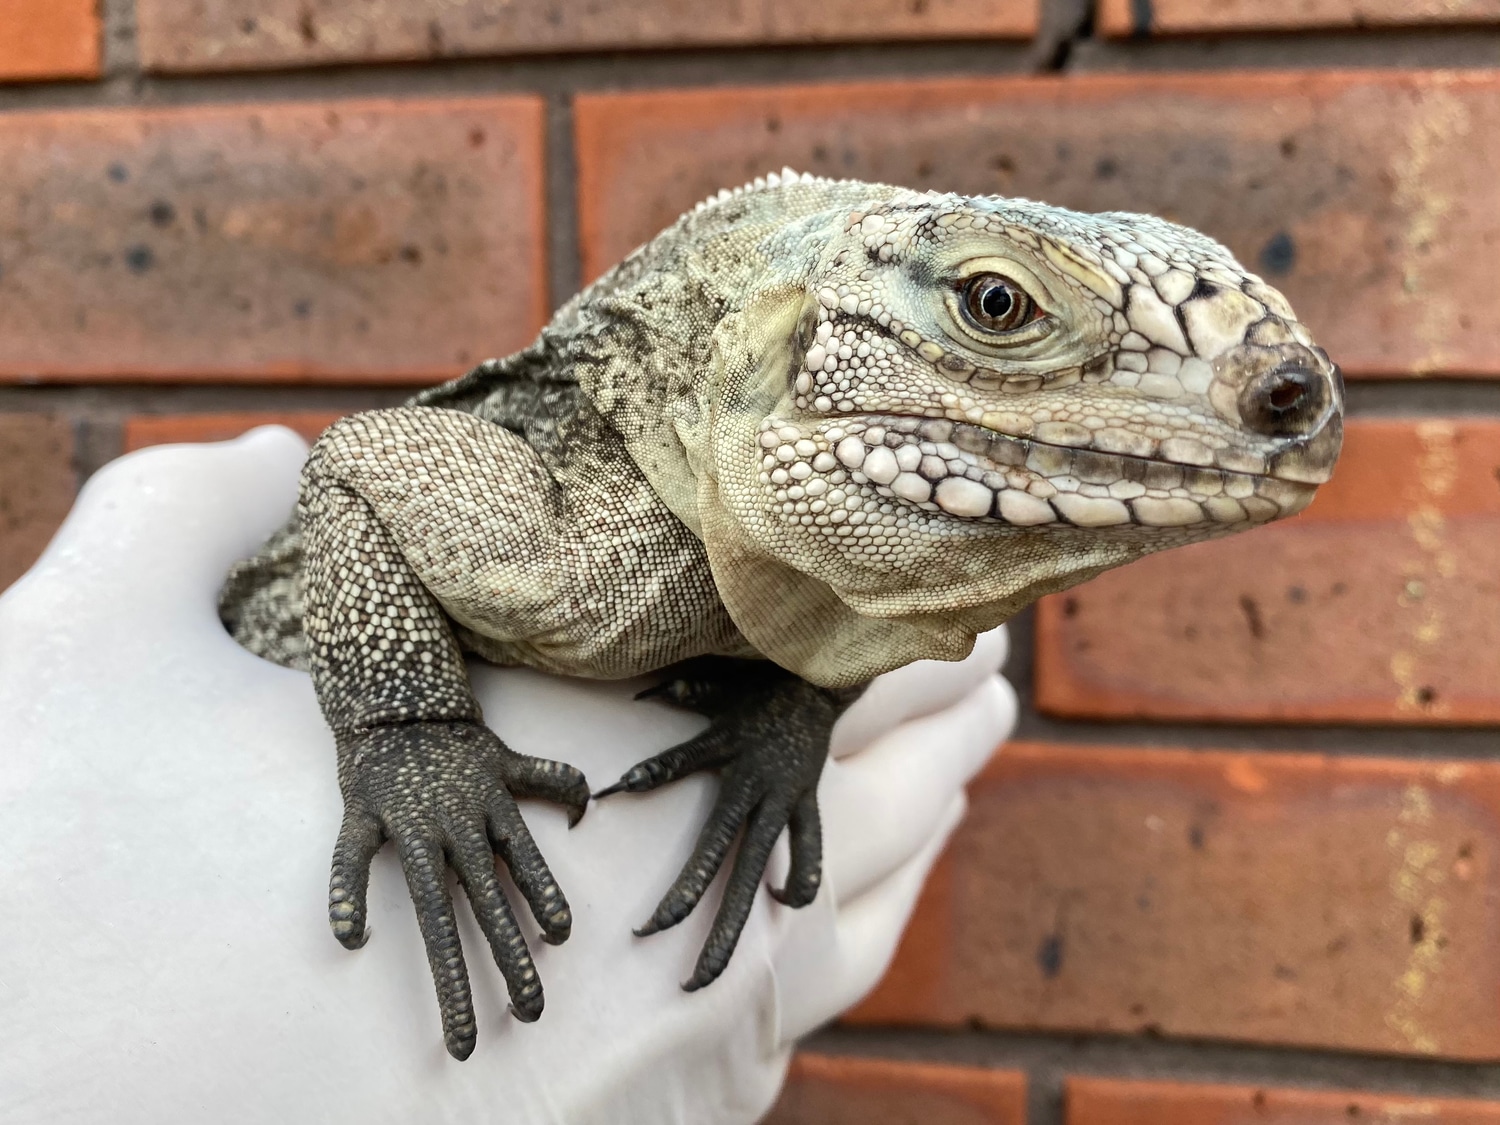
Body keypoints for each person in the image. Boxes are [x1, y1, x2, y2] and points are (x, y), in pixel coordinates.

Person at [0, 427, 1015, 1124]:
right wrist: (409, 726)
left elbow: (826, 600)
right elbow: (360, 470)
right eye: (999, 308)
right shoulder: (573, 525)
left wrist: (798, 705)